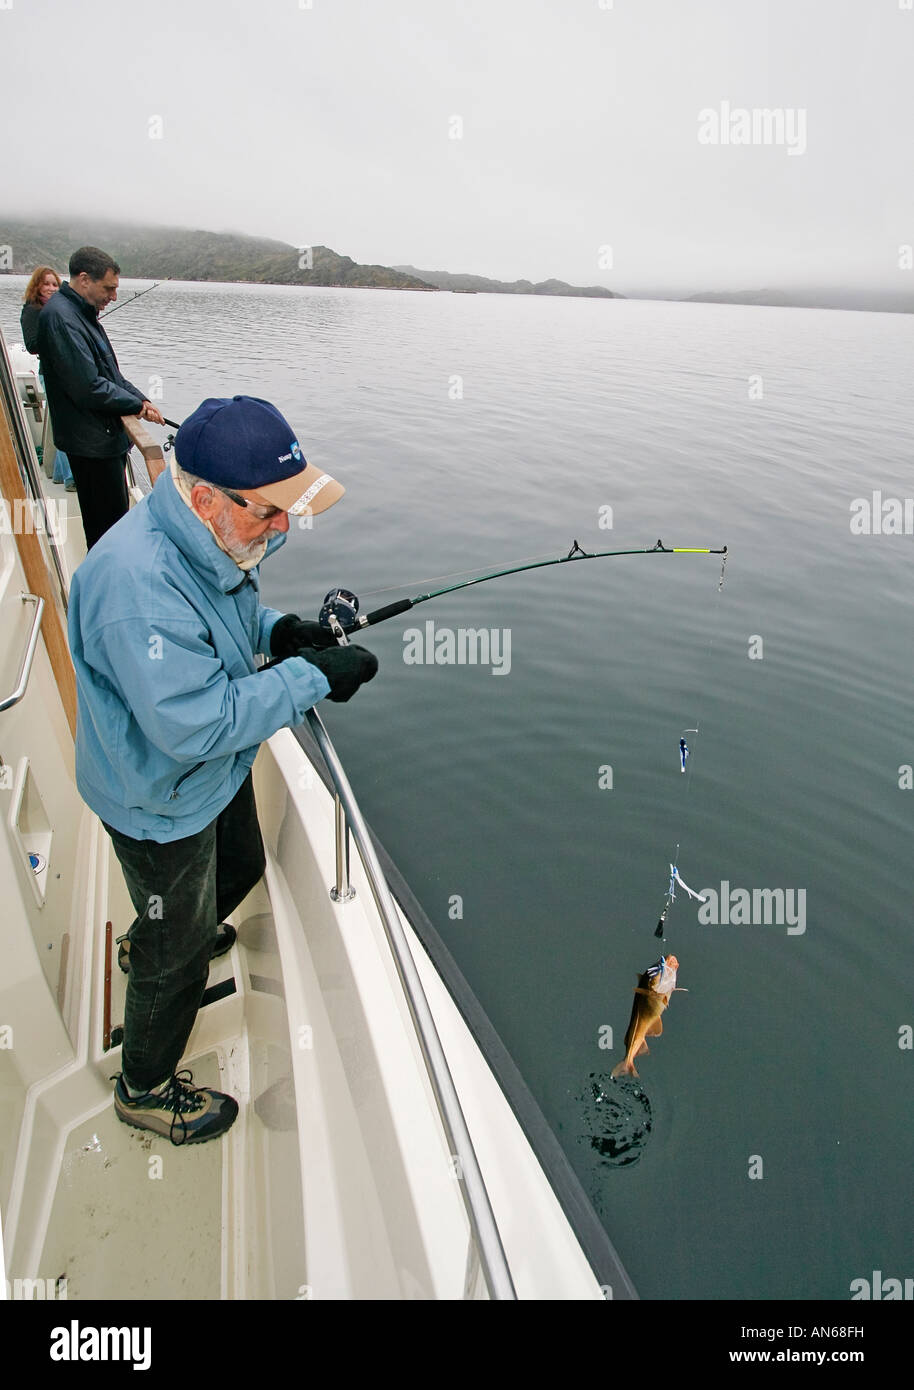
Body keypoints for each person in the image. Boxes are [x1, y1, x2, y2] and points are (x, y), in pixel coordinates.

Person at [68, 394, 378, 1144]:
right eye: (269, 512)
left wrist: (285, 630)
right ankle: (142, 1087)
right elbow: (196, 722)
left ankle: (169, 935)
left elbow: (226, 623)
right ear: (204, 496)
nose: (283, 529)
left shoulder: (211, 536)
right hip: (159, 800)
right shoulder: (137, 588)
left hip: (207, 782)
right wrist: (315, 675)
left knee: (239, 864)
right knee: (174, 962)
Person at [35, 245, 165, 550]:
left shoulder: (83, 314)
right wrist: (134, 405)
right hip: (91, 444)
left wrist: (141, 400)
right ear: (84, 280)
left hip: (101, 439)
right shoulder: (62, 319)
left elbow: (111, 375)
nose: (114, 297)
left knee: (113, 523)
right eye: (109, 288)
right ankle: (106, 587)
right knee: (107, 531)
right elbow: (88, 386)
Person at [20, 267, 76, 489]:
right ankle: (72, 477)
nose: (52, 288)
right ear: (37, 286)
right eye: (47, 284)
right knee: (67, 425)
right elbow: (32, 345)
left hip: (68, 373)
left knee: (65, 424)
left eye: (55, 284)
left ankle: (62, 475)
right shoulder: (32, 311)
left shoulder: (61, 309)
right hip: (51, 374)